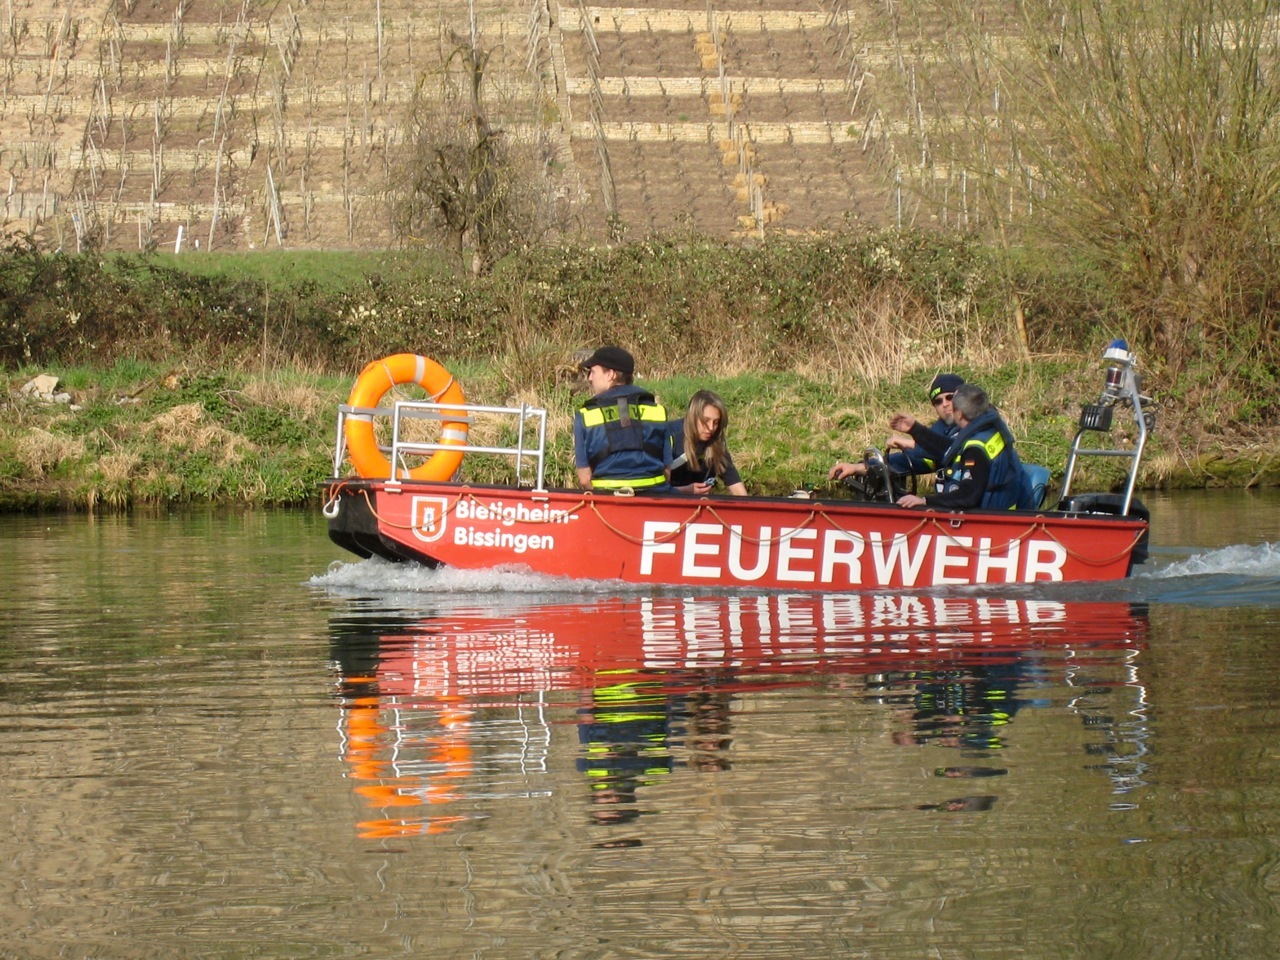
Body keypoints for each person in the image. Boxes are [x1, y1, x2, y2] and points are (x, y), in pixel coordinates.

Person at [897, 383, 1035, 511]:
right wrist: (914, 428)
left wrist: (925, 501)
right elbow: (950, 449)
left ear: (959, 414)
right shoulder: (989, 429)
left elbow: (968, 496)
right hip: (1004, 509)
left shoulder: (975, 449)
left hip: (988, 521)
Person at [828, 373, 964, 485]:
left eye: (949, 397)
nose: (944, 404)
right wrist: (858, 467)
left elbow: (954, 450)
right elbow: (910, 461)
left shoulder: (978, 424)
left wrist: (910, 442)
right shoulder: (941, 428)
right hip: (948, 507)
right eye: (938, 401)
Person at [574, 345, 671, 491]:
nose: (590, 378)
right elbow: (667, 472)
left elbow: (584, 479)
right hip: (655, 498)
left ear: (610, 375)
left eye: (593, 372)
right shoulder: (658, 411)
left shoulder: (586, 415)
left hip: (606, 503)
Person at [668, 390, 748, 495]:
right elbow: (652, 490)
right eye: (705, 421)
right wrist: (686, 490)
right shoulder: (668, 435)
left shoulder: (716, 443)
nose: (710, 428)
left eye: (716, 422)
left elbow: (738, 490)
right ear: (692, 417)